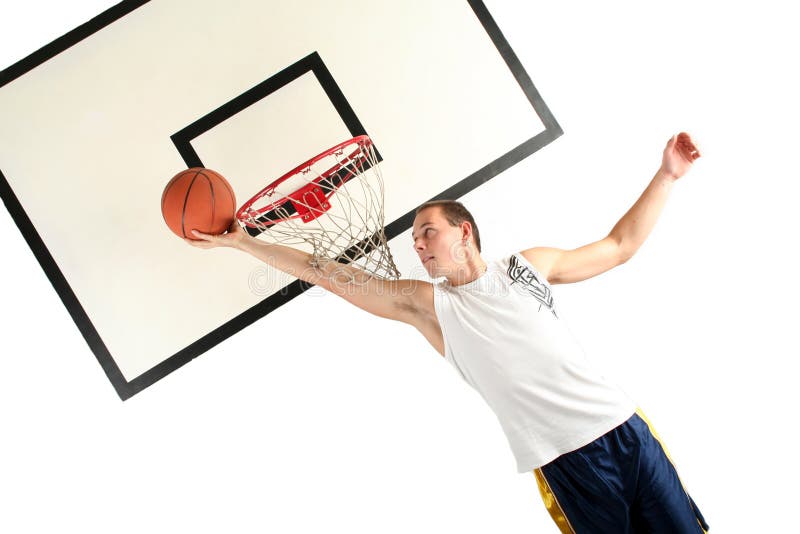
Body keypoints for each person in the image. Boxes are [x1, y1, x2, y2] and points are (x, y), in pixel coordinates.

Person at [187, 132, 709, 533]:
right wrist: (243, 245)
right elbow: (322, 269)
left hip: (624, 428)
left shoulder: (526, 267)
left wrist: (666, 175)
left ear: (465, 232)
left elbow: (619, 246)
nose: (418, 246)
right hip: (567, 461)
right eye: (414, 240)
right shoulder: (430, 306)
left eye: (427, 233)